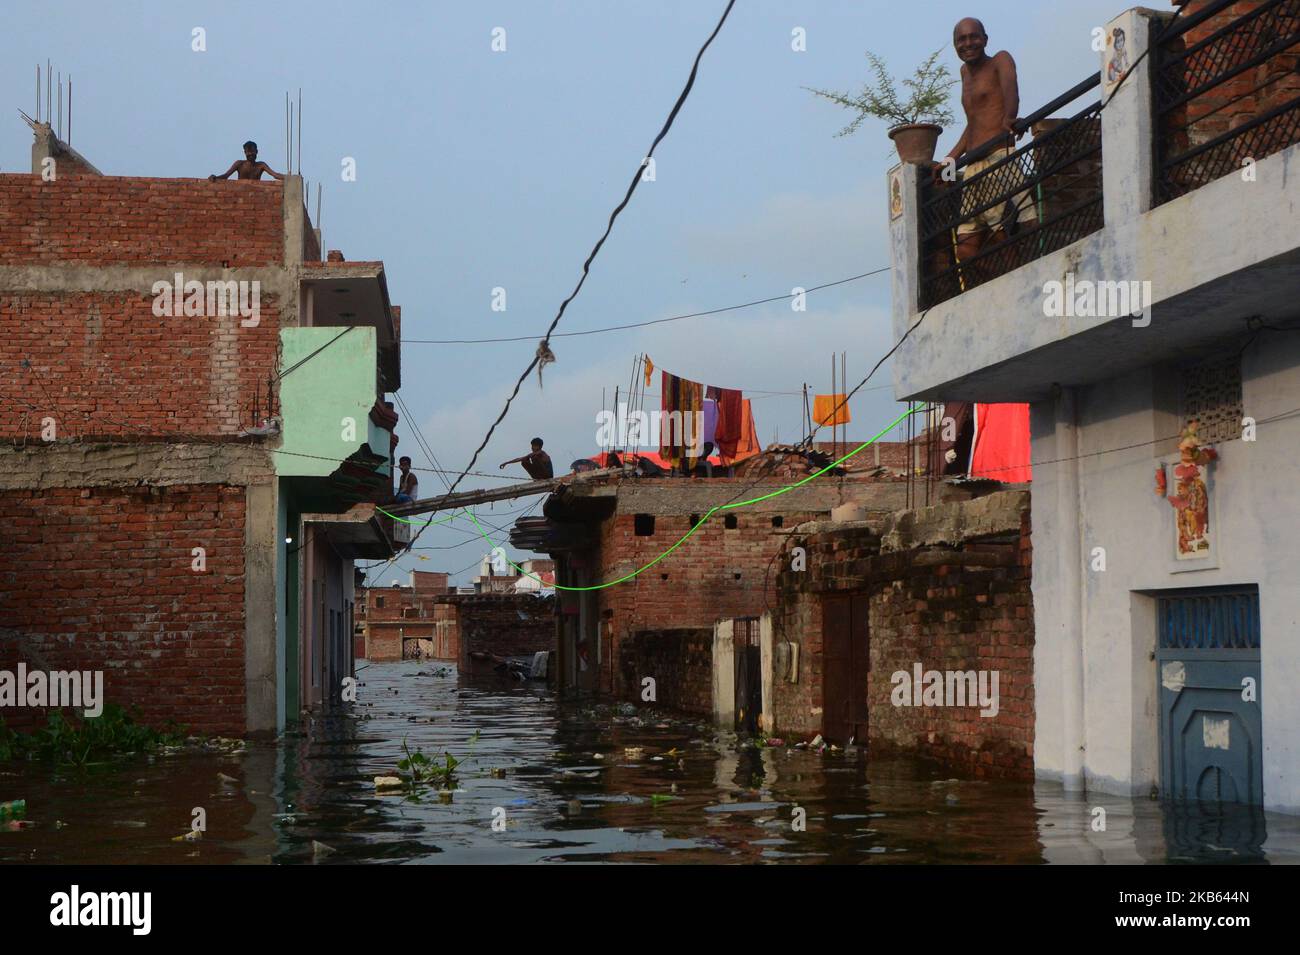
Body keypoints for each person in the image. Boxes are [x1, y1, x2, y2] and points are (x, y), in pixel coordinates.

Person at [933, 19, 1035, 278]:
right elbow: (973, 123)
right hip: (973, 164)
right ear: (955, 45)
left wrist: (1010, 118)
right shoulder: (964, 73)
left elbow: (1012, 93)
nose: (968, 44)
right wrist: (950, 159)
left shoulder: (1000, 60)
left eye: (973, 37)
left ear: (985, 39)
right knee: (966, 247)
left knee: (1000, 230)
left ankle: (1020, 277)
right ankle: (1010, 277)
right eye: (961, 39)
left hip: (999, 155)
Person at [209, 141, 285, 181]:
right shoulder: (239, 164)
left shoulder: (261, 165)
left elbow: (275, 175)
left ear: (256, 152)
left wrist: (288, 178)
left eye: (252, 151)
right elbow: (226, 176)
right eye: (248, 152)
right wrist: (215, 178)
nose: (250, 154)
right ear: (245, 153)